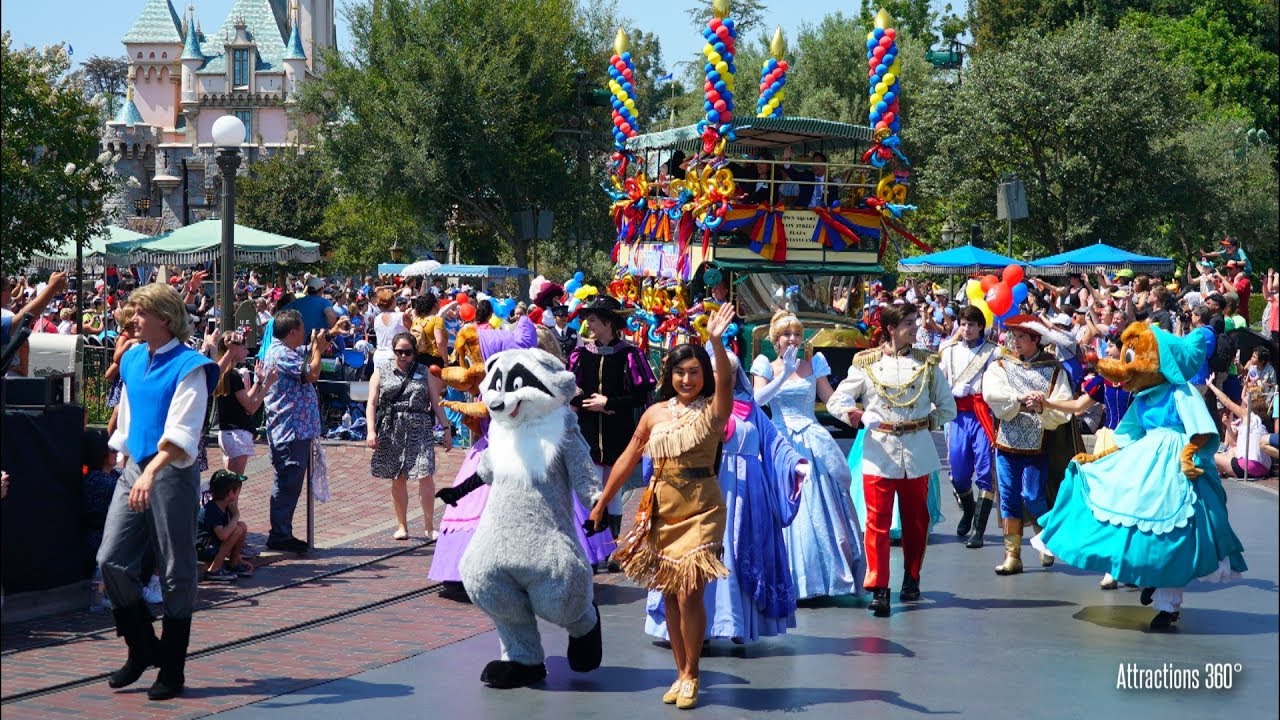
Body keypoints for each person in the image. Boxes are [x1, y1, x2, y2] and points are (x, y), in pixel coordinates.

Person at [1034, 324, 1247, 629]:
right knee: (1134, 521)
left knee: (1172, 531)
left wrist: (1189, 454)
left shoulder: (1180, 393)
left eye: (1134, 356)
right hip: (1144, 460)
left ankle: (1169, 605)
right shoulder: (1145, 397)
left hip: (1175, 464)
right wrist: (1099, 458)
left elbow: (1201, 429)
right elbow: (1128, 435)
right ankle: (1148, 576)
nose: (1126, 366)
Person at [589, 302, 737, 710]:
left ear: (703, 375)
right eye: (679, 372)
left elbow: (725, 383)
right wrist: (603, 502)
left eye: (694, 372)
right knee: (671, 594)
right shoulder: (654, 413)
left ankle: (693, 673)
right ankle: (681, 671)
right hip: (661, 508)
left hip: (704, 508)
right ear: (669, 375)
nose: (687, 379)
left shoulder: (713, 409)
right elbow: (626, 458)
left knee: (691, 592)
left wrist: (716, 344)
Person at [98, 282, 219, 700]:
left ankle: (172, 668)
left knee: (175, 568)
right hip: (136, 468)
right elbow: (130, 415)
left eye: (141, 313)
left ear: (164, 319)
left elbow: (184, 429)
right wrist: (124, 457)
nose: (134, 318)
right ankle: (143, 647)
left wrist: (152, 471)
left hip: (171, 473)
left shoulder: (191, 366)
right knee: (110, 560)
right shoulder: (132, 358)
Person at [645, 349, 808, 645]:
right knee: (697, 556)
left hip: (748, 497)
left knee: (741, 553)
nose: (728, 378)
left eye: (733, 373)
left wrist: (794, 462)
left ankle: (737, 625)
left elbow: (773, 443)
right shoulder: (694, 409)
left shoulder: (750, 408)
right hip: (706, 492)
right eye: (721, 372)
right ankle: (699, 632)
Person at [826, 303, 957, 617]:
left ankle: (912, 576)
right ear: (890, 328)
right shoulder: (866, 364)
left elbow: (948, 407)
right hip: (879, 452)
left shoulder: (927, 363)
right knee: (876, 522)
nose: (915, 328)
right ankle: (880, 586)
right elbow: (835, 400)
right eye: (908, 323)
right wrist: (858, 415)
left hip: (916, 450)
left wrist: (926, 421)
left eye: (914, 322)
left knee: (916, 522)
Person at [751, 311, 865, 601]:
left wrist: (857, 413)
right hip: (780, 444)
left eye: (797, 335)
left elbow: (830, 399)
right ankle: (788, 580)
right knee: (788, 504)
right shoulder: (765, 365)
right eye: (787, 335)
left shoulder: (814, 364)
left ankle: (826, 579)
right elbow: (758, 401)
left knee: (820, 505)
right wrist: (785, 373)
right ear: (775, 340)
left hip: (813, 441)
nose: (793, 339)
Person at [981, 315, 1074, 576]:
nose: (1015, 341)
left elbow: (1063, 404)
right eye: (1013, 336)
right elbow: (991, 393)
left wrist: (1043, 406)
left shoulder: (1054, 369)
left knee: (1033, 495)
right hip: (1006, 442)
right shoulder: (1000, 365)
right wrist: (1019, 398)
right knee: (1009, 498)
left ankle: (1043, 540)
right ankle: (1013, 555)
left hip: (1038, 444)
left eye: (1022, 336)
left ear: (1036, 339)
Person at [568, 295, 656, 567]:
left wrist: (609, 403)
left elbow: (642, 395)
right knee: (592, 489)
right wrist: (588, 404)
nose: (589, 325)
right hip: (589, 432)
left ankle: (612, 548)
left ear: (607, 322)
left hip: (619, 433)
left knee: (614, 490)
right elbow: (568, 391)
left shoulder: (630, 354)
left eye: (593, 320)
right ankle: (592, 551)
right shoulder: (580, 354)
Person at [367, 332, 451, 541]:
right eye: (399, 352)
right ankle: (402, 525)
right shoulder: (381, 371)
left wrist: (447, 429)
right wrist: (371, 430)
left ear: (414, 352)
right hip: (392, 427)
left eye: (407, 352)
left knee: (425, 474)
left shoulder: (424, 372)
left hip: (419, 426)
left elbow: (435, 402)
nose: (403, 356)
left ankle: (429, 526)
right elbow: (372, 403)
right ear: (393, 351)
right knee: (398, 477)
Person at [262, 309, 332, 554]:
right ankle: (280, 534)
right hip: (289, 430)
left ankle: (283, 531)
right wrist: (317, 350)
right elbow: (311, 373)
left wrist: (328, 336)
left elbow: (308, 352)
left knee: (291, 482)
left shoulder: (288, 351)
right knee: (287, 482)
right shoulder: (280, 354)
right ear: (292, 332)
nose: (304, 335)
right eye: (302, 330)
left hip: (297, 430)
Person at [938, 305, 999, 548]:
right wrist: (949, 392)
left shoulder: (993, 352)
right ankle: (968, 509)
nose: (966, 329)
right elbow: (939, 381)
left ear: (980, 327)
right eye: (963, 324)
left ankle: (978, 530)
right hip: (957, 415)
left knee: (985, 470)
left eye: (971, 325)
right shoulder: (949, 352)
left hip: (982, 414)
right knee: (959, 473)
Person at [214, 332, 277, 475]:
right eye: (243, 348)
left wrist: (259, 382)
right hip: (236, 435)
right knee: (233, 487)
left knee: (230, 485)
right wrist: (267, 384)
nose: (247, 352)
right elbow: (251, 408)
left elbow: (244, 400)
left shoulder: (225, 374)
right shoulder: (233, 375)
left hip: (227, 434)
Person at [195, 470, 253, 582]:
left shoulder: (226, 507)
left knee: (242, 526)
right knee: (236, 529)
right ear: (231, 493)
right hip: (203, 549)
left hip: (214, 545)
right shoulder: (211, 510)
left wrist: (239, 559)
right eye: (238, 490)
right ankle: (214, 569)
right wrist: (236, 515)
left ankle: (234, 563)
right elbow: (223, 536)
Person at [1208, 383, 1272, 480]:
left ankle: (1219, 471)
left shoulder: (1248, 415)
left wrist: (1211, 385)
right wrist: (1228, 426)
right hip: (1264, 468)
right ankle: (1223, 470)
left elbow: (1226, 401)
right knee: (1233, 449)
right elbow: (1233, 443)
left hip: (1249, 467)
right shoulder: (1262, 419)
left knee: (1210, 455)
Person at [371, 288, 407, 368]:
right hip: (395, 355)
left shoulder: (377, 318)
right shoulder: (401, 316)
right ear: (393, 301)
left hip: (379, 355)